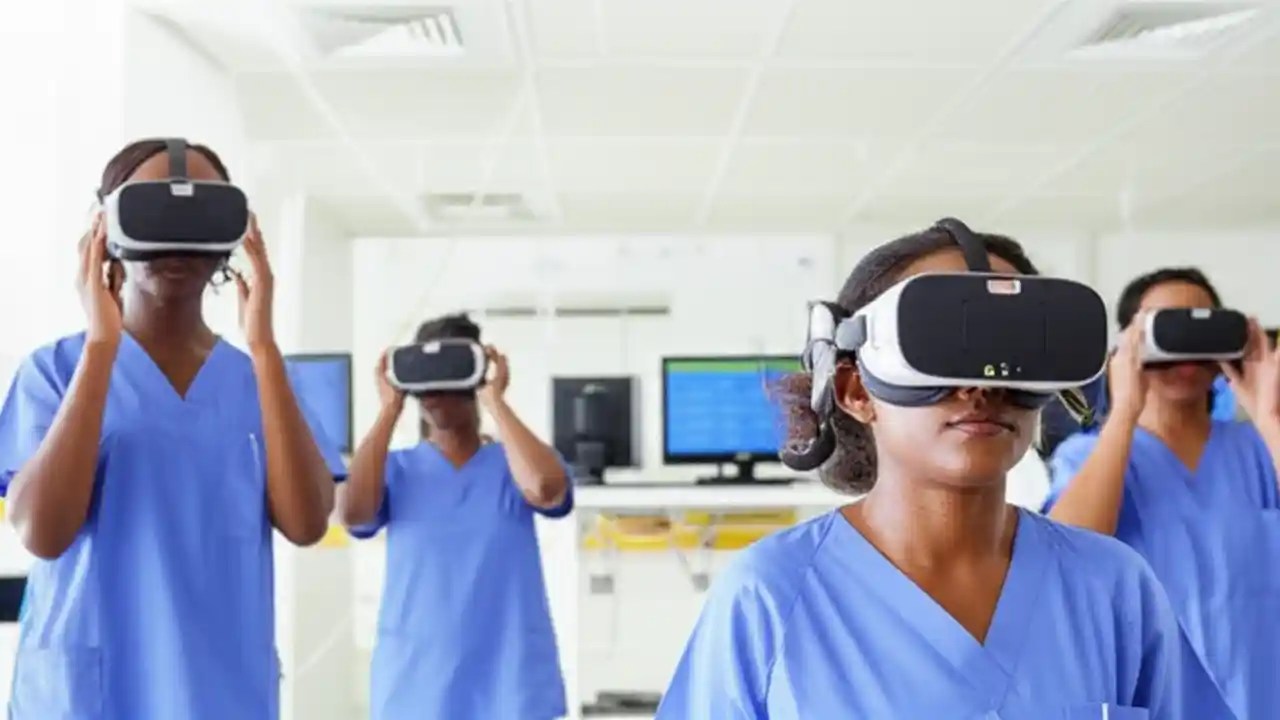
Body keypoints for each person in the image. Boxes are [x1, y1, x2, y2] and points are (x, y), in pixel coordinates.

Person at [656, 228, 1234, 719]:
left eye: (1012, 352)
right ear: (856, 390)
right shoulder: (769, 596)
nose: (981, 387)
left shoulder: (1114, 588)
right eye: (939, 347)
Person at [0, 139, 348, 718]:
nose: (175, 239)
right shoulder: (55, 371)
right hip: (88, 696)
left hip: (220, 690)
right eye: (153, 212)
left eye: (198, 215)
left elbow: (308, 523)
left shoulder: (261, 381)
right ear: (105, 229)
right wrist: (102, 345)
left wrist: (264, 347)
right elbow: (43, 532)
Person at [1045, 267, 1280, 718]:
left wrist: (1268, 416)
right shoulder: (1089, 457)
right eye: (1167, 328)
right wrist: (1123, 412)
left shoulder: (1259, 449)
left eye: (1202, 329)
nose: (1185, 349)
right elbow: (1064, 558)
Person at [339, 314, 573, 720]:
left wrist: (495, 400)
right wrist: (389, 409)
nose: (434, 395)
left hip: (509, 682)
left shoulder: (512, 465)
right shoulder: (396, 469)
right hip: (417, 684)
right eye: (425, 380)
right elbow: (353, 512)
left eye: (449, 376)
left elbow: (547, 490)